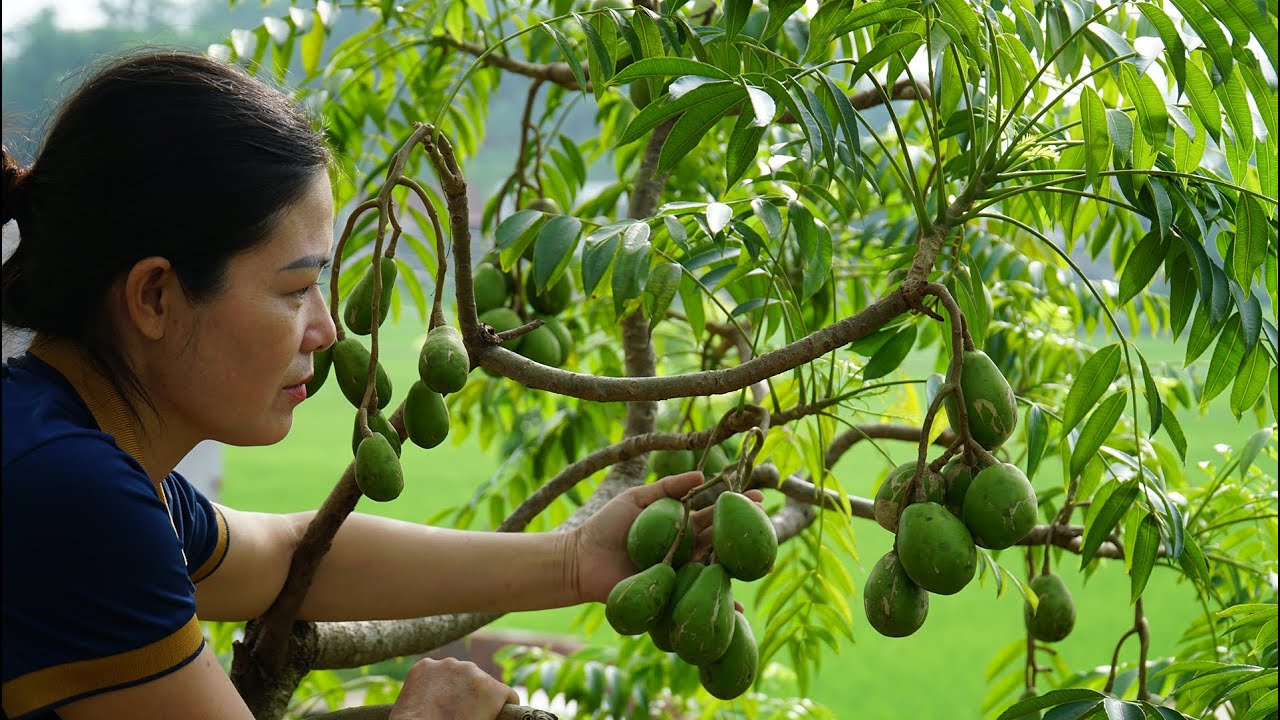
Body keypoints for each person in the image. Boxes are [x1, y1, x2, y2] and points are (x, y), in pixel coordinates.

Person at [1, 50, 762, 720]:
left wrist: (572, 560)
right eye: (295, 289)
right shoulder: (68, 490)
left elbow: (291, 554)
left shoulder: (73, 450)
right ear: (155, 298)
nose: (327, 330)